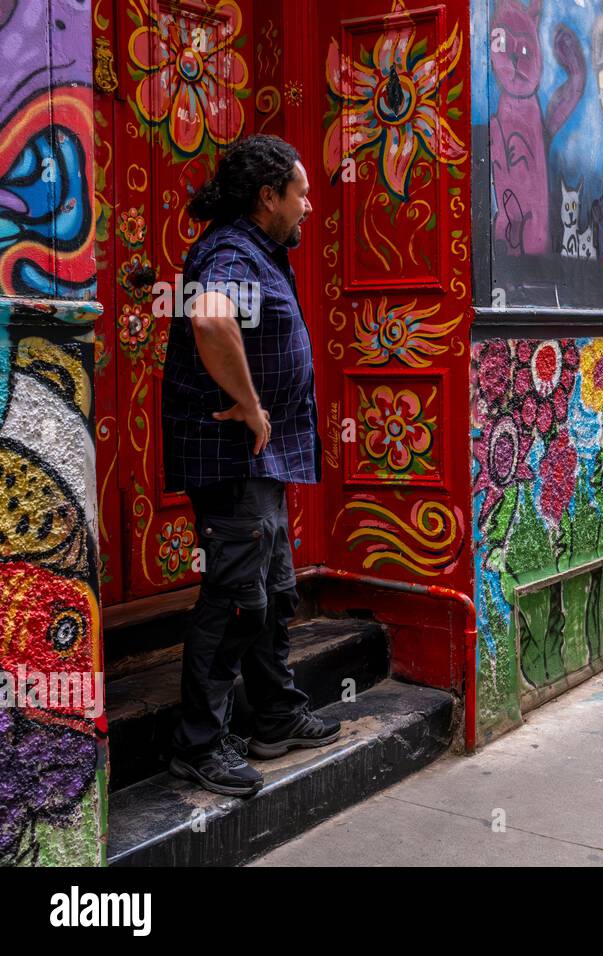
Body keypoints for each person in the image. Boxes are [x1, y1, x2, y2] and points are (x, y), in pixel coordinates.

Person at [162, 135, 337, 798]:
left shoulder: (257, 250)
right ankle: (198, 746)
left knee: (276, 591)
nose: (310, 206)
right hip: (233, 459)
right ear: (269, 196)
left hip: (262, 462)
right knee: (237, 600)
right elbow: (210, 318)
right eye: (301, 193)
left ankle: (274, 717)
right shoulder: (231, 251)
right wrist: (248, 403)